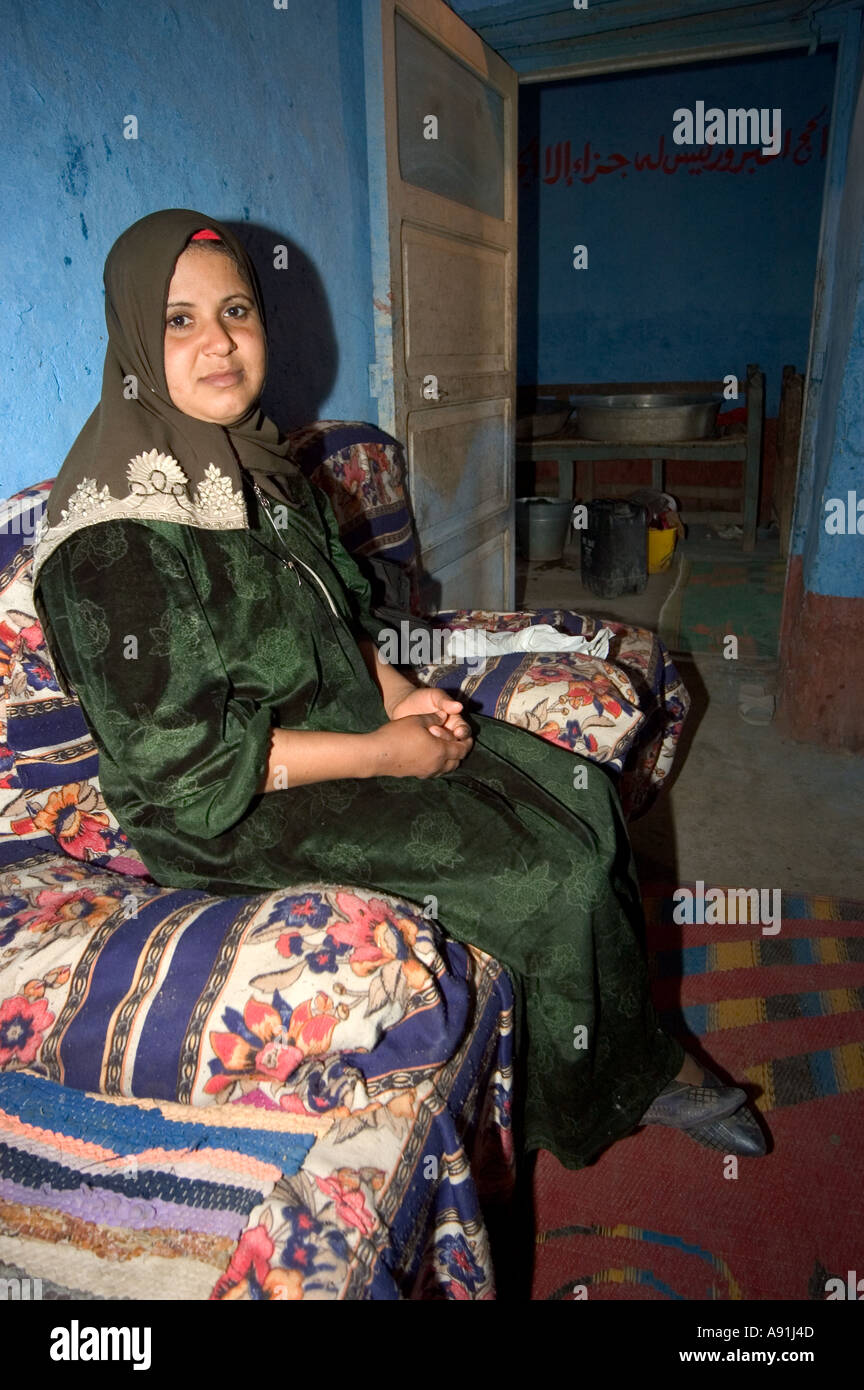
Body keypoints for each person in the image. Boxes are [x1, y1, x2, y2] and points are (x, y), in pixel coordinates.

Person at [31, 208, 766, 1168]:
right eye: (178, 320)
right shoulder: (113, 539)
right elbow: (190, 776)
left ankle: (622, 1053)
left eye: (237, 310)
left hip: (336, 728)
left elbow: (337, 615)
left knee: (583, 796)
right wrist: (385, 754)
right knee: (545, 875)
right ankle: (599, 1098)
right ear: (132, 338)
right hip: (232, 813)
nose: (218, 341)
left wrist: (391, 691)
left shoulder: (256, 467)